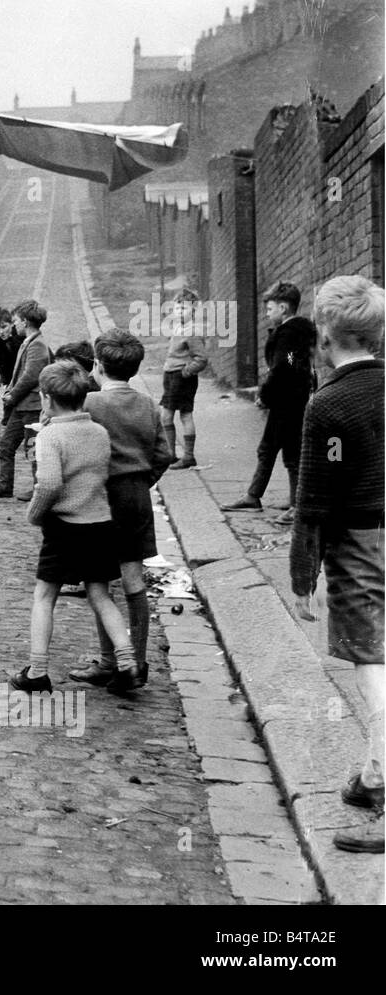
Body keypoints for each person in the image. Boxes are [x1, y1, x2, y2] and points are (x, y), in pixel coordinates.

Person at [288, 275, 384, 855]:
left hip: (362, 542)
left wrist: (304, 577)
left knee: (372, 663)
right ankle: (372, 774)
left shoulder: (329, 405)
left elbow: (315, 500)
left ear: (325, 337)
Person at [15, 360, 138, 693]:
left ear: (46, 398)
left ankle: (37, 671)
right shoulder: (99, 432)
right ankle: (127, 664)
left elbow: (50, 483)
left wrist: (35, 514)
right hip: (100, 523)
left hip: (64, 527)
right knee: (100, 595)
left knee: (44, 595)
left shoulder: (51, 436)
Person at [68, 331, 174, 689]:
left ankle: (110, 660)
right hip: (137, 498)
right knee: (133, 581)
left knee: (99, 580)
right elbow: (164, 454)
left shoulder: (91, 403)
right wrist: (143, 481)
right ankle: (138, 664)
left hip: (102, 497)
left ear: (97, 365)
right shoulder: (147, 404)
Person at [222, 282, 317, 523]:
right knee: (269, 448)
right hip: (289, 399)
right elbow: (291, 363)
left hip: (288, 402)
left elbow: (285, 365)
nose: (266, 314)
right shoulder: (294, 334)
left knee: (291, 453)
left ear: (283, 308)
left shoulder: (289, 335)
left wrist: (265, 394)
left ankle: (297, 506)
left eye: (270, 309)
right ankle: (255, 495)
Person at [0, 299, 50, 499]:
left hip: (31, 406)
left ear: (26, 322)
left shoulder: (37, 344)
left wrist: (12, 395)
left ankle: (38, 489)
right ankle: (5, 486)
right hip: (21, 406)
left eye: (17, 320)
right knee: (7, 444)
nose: (15, 324)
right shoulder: (29, 342)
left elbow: (30, 376)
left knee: (32, 449)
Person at [161, 287, 208, 470]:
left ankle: (187, 456)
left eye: (185, 308)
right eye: (177, 308)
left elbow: (201, 358)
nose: (180, 311)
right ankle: (171, 455)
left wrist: (186, 372)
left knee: (181, 415)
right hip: (171, 376)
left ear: (194, 310)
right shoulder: (178, 329)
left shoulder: (191, 331)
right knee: (168, 416)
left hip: (181, 377)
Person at [0, 306, 22, 447]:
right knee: (8, 404)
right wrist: (4, 377)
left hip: (22, 376)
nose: (1, 332)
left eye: (4, 327)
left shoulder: (19, 336)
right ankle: (3, 437)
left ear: (12, 323)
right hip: (11, 377)